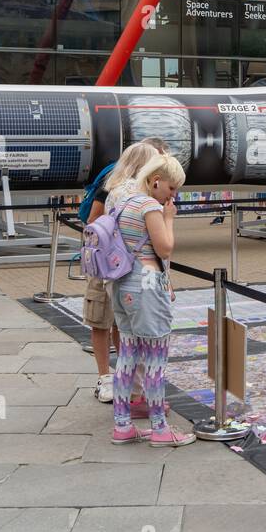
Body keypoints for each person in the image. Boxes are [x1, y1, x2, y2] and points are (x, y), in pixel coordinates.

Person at [107, 151, 193, 448]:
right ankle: (159, 428)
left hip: (121, 284)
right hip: (146, 284)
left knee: (127, 357)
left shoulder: (124, 203)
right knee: (156, 360)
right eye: (171, 188)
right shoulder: (148, 206)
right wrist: (169, 219)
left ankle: (122, 425)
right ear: (156, 181)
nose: (174, 195)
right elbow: (165, 248)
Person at [86, 138, 167, 404]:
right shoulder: (125, 189)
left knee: (122, 329)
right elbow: (163, 247)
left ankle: (126, 399)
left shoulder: (124, 189)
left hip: (115, 268)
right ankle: (129, 392)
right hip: (118, 266)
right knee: (110, 323)